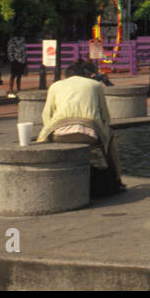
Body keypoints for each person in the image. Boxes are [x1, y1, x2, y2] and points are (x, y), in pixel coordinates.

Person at [38, 60, 125, 196]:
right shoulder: (95, 85)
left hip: (59, 134)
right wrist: (105, 131)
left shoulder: (55, 86)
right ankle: (117, 178)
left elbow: (46, 114)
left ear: (66, 76)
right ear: (85, 75)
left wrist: (46, 133)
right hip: (89, 133)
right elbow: (105, 114)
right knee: (110, 139)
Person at [6, 34, 27, 98]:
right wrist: (12, 59)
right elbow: (9, 50)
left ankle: (18, 89)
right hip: (15, 60)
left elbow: (24, 50)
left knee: (19, 76)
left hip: (21, 60)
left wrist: (24, 59)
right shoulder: (12, 40)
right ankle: (10, 89)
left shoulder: (23, 39)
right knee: (13, 76)